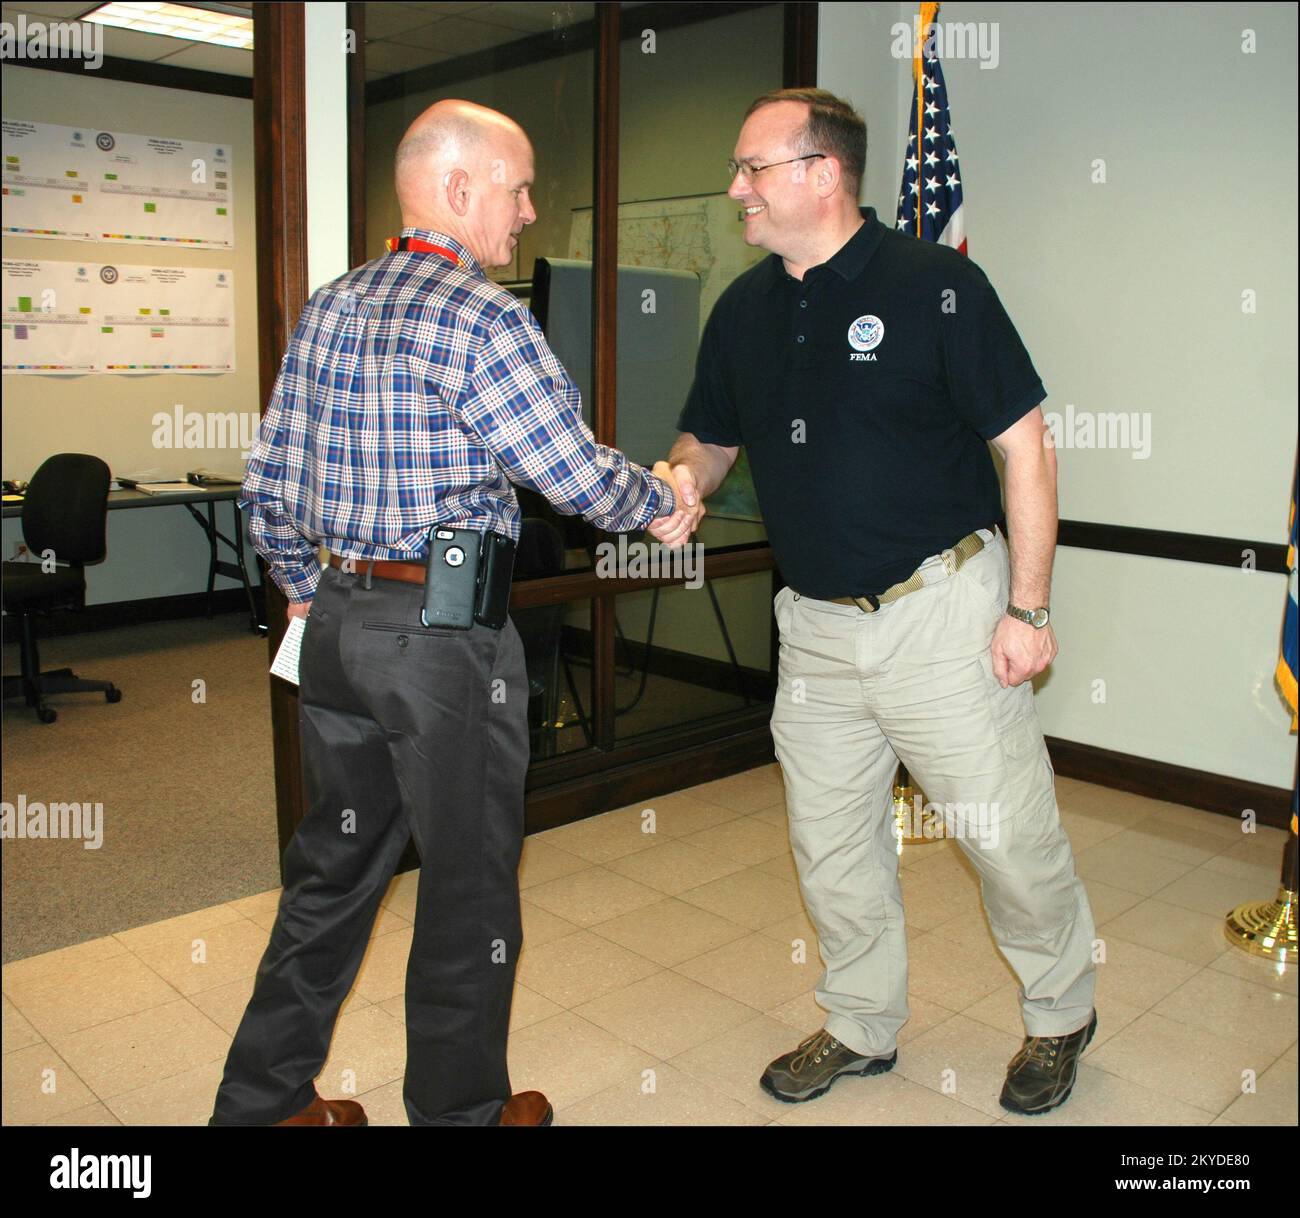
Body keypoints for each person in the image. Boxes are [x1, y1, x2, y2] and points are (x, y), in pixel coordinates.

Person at [210, 99, 679, 1127]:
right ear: (459, 188)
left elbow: (266, 486)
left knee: (331, 872)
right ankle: (460, 1115)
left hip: (337, 628)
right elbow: (572, 474)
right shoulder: (482, 315)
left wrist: (307, 587)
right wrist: (662, 502)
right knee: (467, 888)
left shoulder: (329, 306)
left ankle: (260, 1107)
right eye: (519, 189)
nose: (529, 212)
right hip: (442, 642)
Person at [649, 88, 1097, 1116]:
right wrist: (683, 483)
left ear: (821, 173)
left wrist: (1028, 610)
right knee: (831, 841)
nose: (735, 188)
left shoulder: (937, 285)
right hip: (813, 626)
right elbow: (708, 436)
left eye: (752, 168)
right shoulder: (744, 309)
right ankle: (859, 1022)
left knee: (1002, 834)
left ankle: (1060, 1012)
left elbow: (1026, 447)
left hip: (941, 608)